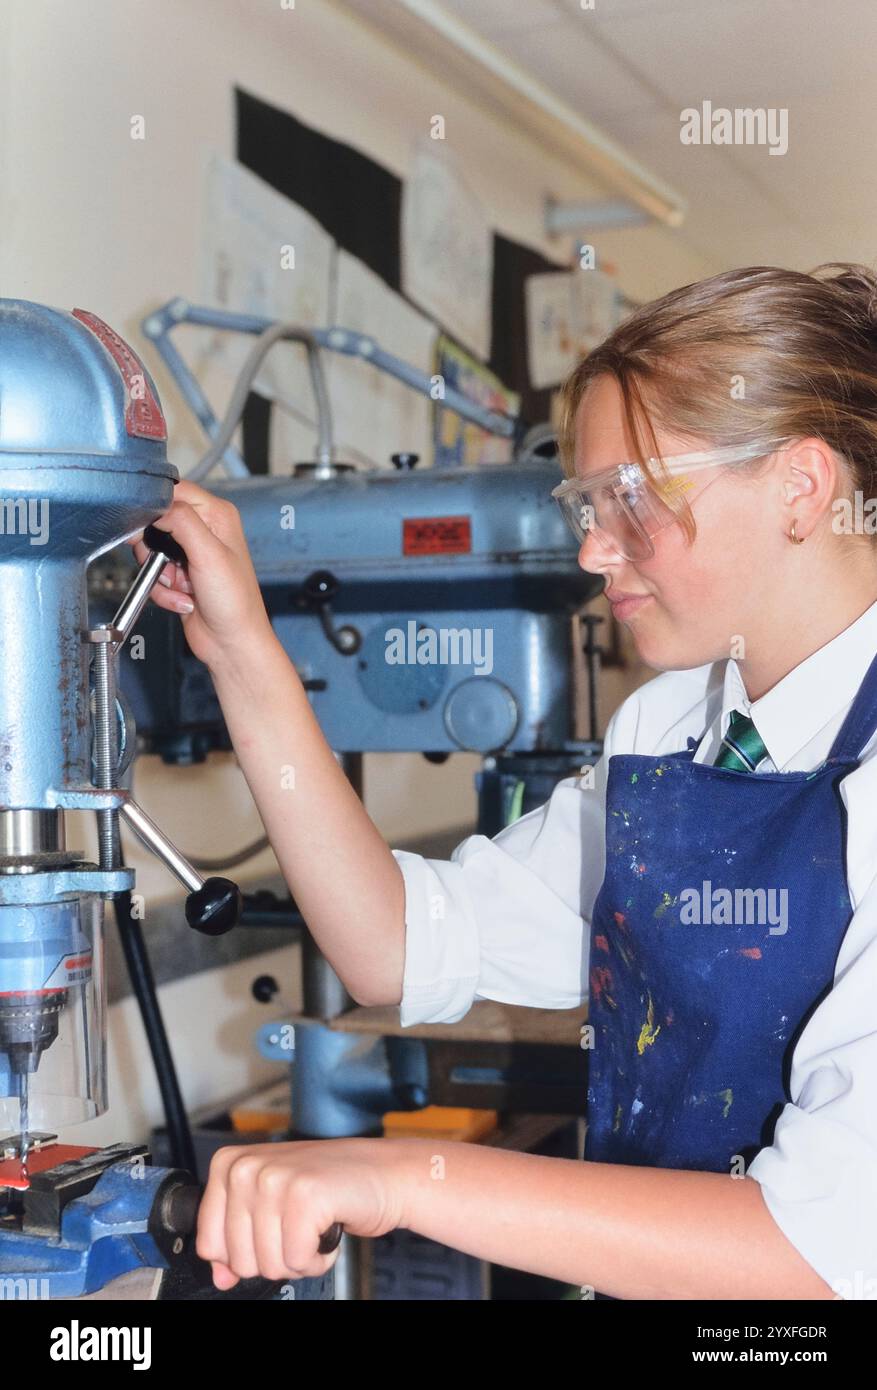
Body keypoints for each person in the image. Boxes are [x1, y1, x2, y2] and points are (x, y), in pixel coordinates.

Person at [132, 263, 877, 1300]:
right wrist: (245, 653)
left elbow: (811, 1256)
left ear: (800, 486)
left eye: (629, 498)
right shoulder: (669, 729)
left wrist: (399, 1175)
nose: (588, 545)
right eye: (585, 500)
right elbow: (396, 942)